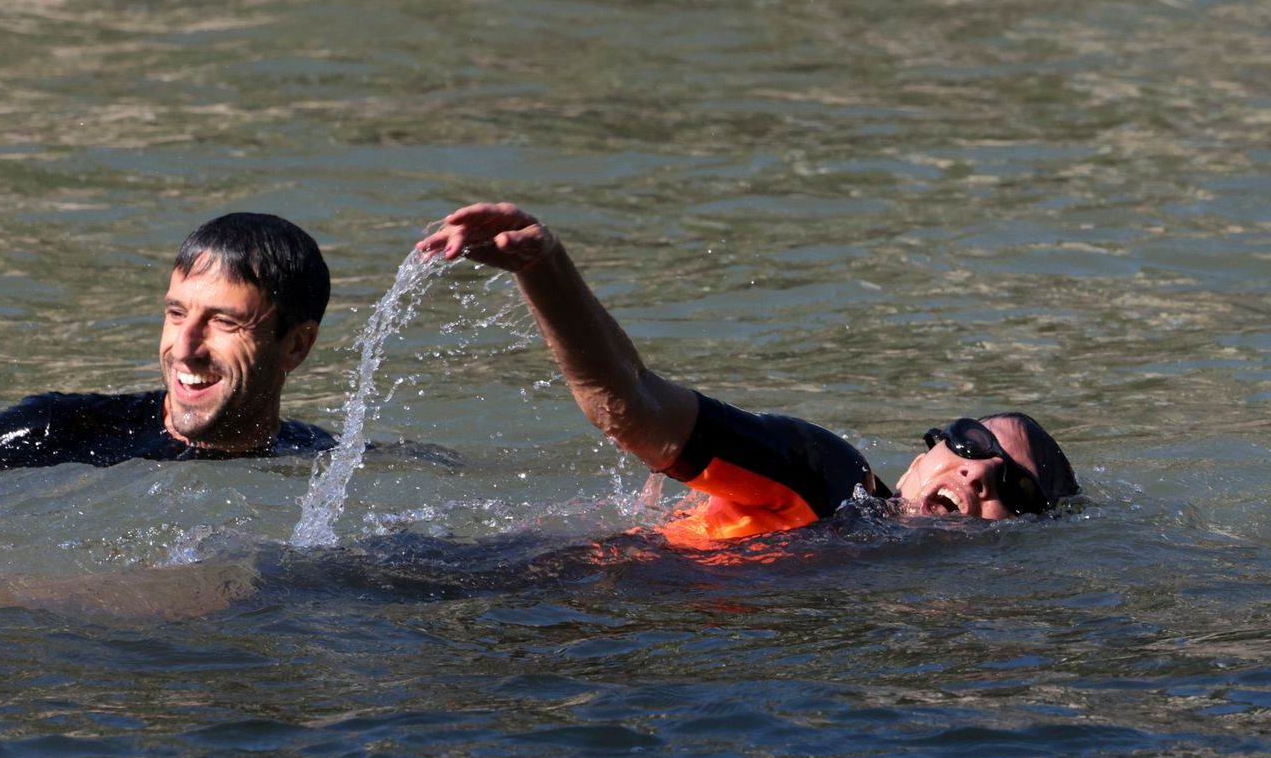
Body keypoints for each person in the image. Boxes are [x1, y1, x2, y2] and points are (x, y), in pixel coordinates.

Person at [417, 203, 1078, 549]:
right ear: (915, 463)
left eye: (1015, 489)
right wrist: (545, 269)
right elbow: (635, 406)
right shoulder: (826, 480)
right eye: (970, 443)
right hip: (522, 597)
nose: (980, 472)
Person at [0, 212, 335, 468]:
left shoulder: (322, 462)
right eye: (176, 314)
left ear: (296, 346)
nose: (184, 348)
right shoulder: (55, 431)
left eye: (224, 322)